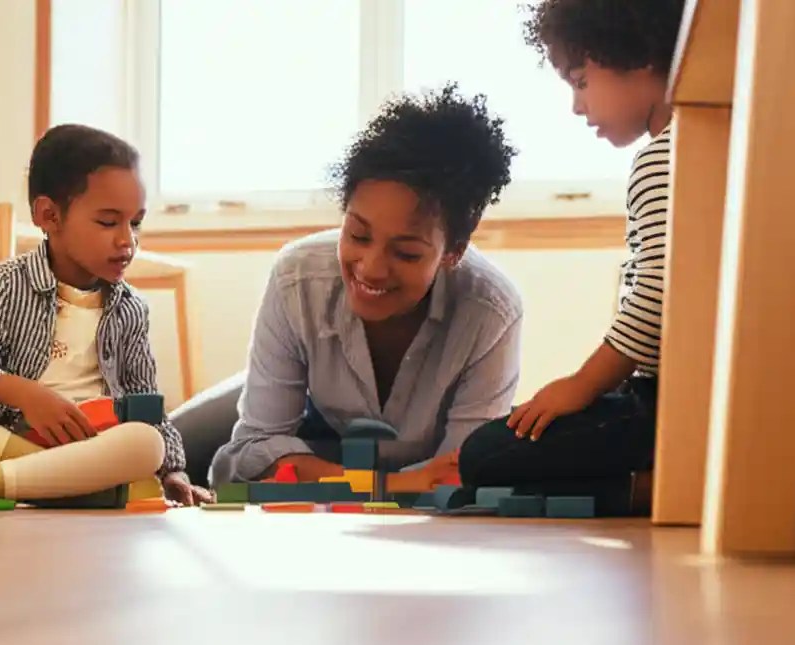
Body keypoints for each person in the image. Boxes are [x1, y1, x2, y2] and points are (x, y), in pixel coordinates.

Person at [0, 124, 210, 507]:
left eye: (136, 223)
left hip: (89, 452)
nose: (127, 240)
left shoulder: (130, 310)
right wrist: (25, 394)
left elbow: (147, 404)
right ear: (49, 215)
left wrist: (175, 472)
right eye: (109, 222)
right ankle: (48, 482)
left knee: (147, 443)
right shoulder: (3, 284)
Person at [208, 83, 523, 489]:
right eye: (357, 235)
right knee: (198, 454)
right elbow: (252, 449)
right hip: (314, 433)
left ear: (453, 252)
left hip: (341, 464)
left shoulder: (490, 309)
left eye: (406, 253)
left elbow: (459, 473)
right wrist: (389, 486)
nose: (372, 270)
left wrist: (335, 481)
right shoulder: (297, 279)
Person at [457, 0, 683, 514]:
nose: (577, 108)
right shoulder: (707, 150)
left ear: (642, 59)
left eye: (581, 82)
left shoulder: (663, 159)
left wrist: (583, 385)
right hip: (700, 398)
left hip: (671, 403)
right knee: (500, 461)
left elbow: (658, 293)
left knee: (484, 457)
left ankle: (666, 488)